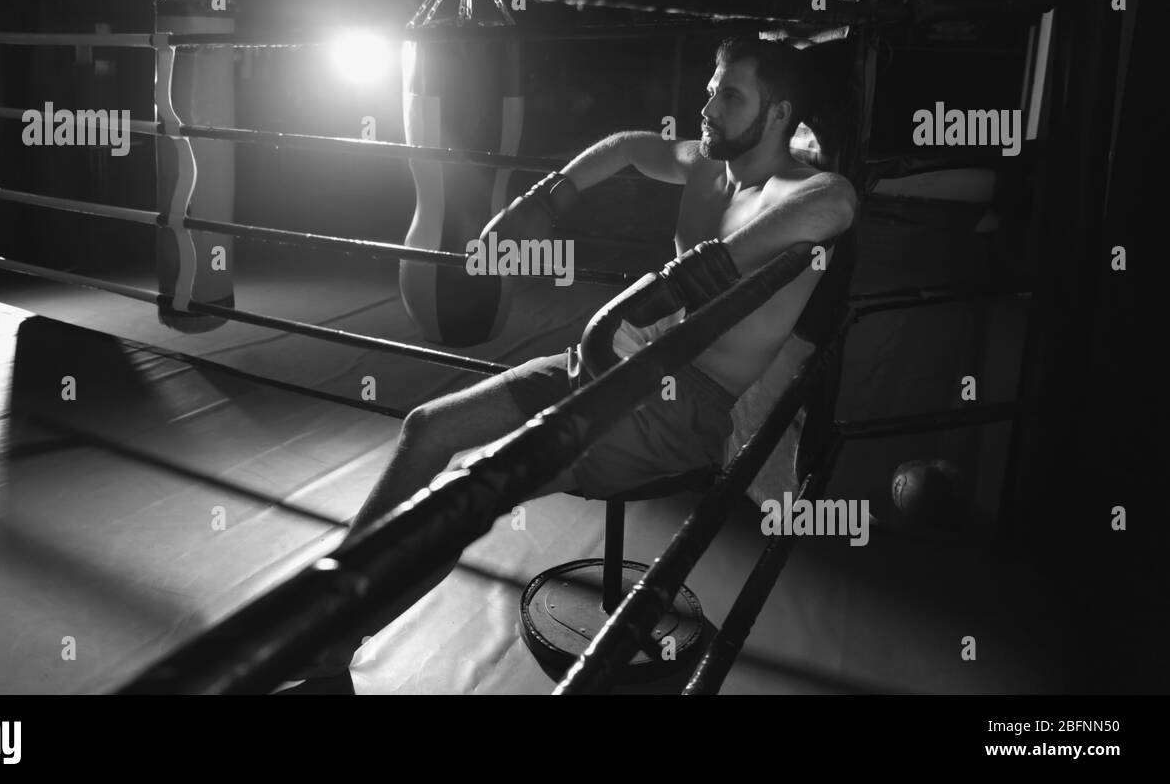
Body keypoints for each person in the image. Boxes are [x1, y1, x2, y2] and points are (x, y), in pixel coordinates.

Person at [283, 39, 857, 692]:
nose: (708, 107)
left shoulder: (808, 192)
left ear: (778, 114)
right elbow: (622, 148)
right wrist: (542, 204)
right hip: (606, 364)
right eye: (710, 89)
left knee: (472, 485)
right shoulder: (704, 165)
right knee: (427, 429)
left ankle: (324, 651)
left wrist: (685, 281)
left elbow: (839, 204)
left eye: (730, 96)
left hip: (677, 412)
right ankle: (317, 613)